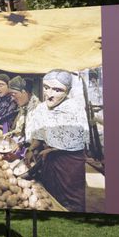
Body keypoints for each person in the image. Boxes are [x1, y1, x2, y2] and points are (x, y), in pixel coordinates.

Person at [25, 69, 90, 211]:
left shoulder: (74, 109)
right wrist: (31, 149)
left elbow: (76, 140)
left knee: (72, 199)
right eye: (46, 87)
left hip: (69, 162)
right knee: (50, 195)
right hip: (49, 159)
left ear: (68, 91)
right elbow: (39, 134)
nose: (49, 94)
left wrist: (52, 150)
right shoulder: (41, 109)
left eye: (57, 90)